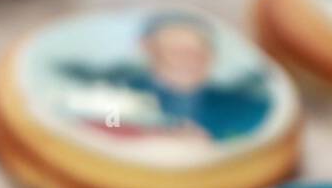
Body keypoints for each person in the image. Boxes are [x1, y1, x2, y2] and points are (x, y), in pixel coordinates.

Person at [55, 12, 273, 143]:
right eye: (175, 52)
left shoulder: (243, 106)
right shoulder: (117, 97)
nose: (187, 61)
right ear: (149, 51)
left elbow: (251, 131)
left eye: (197, 52)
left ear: (211, 56)